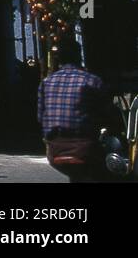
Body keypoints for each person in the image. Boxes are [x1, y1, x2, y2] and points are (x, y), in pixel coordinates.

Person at [38, 38, 109, 182]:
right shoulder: (91, 81)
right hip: (85, 148)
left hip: (55, 149)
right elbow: (106, 113)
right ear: (79, 56)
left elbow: (41, 116)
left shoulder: (47, 82)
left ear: (59, 59)